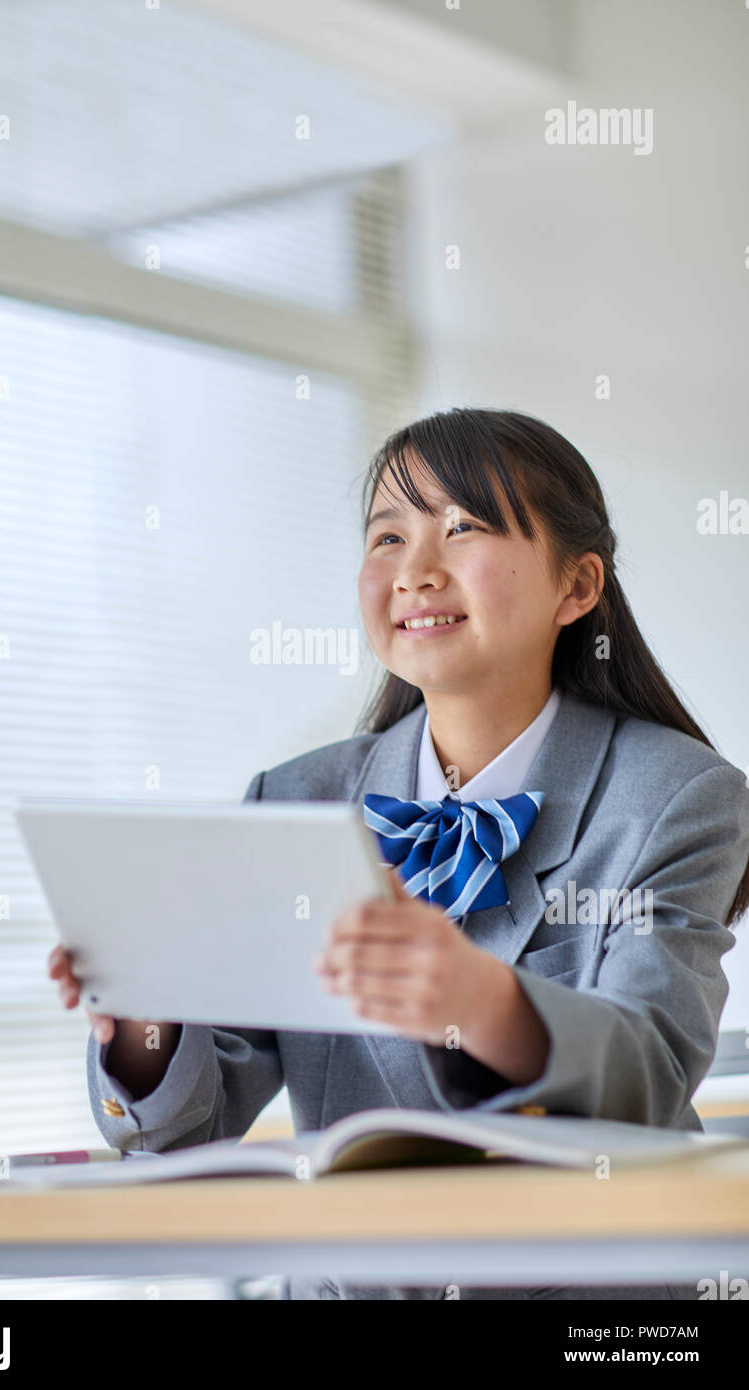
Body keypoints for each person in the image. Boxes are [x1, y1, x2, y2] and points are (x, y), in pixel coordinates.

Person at [50, 407, 749, 1300]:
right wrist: (145, 1021)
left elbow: (647, 1074)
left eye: (462, 528)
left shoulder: (678, 797)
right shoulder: (295, 800)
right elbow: (189, 1127)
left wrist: (487, 1006)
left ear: (577, 589)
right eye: (388, 536)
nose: (415, 572)